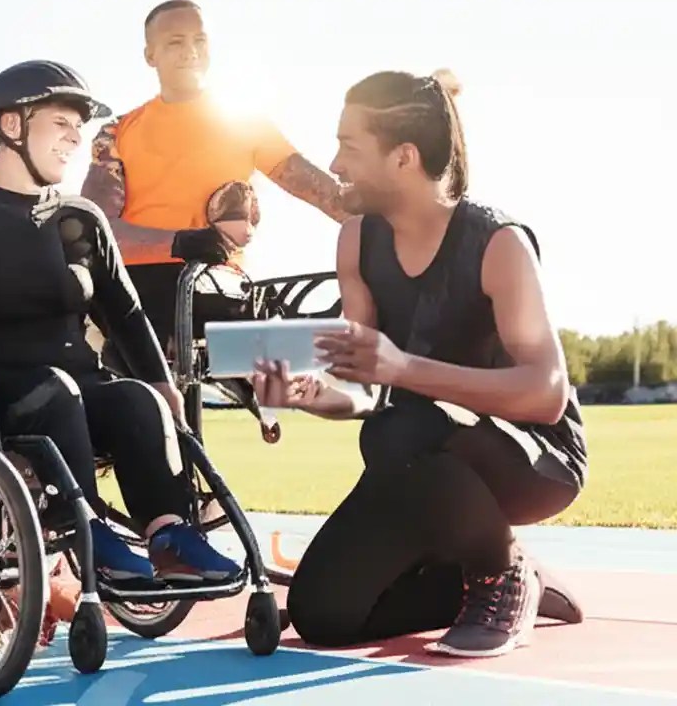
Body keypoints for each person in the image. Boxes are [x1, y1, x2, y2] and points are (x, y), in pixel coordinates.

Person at [250, 69, 587, 658]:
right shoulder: (356, 239)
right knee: (322, 614)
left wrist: (402, 369)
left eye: (349, 147)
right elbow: (365, 387)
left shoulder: (498, 243)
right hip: (414, 454)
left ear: (404, 157)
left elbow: (546, 392)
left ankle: (500, 571)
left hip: (531, 458)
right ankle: (471, 579)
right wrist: (310, 395)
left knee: (400, 427)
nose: (334, 163)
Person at [0, 60, 238, 583]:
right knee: (58, 391)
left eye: (78, 128)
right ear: (11, 126)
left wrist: (161, 384)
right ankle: (84, 529)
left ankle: (170, 535)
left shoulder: (82, 218)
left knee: (137, 398)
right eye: (61, 124)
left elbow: (125, 313)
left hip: (78, 386)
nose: (74, 139)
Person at [81, 0, 350, 365]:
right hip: (137, 286)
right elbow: (97, 229)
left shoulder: (246, 123)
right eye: (175, 42)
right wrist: (180, 242)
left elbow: (326, 195)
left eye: (199, 40)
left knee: (319, 344)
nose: (190, 51)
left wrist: (398, 228)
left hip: (218, 286)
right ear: (150, 55)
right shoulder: (115, 133)